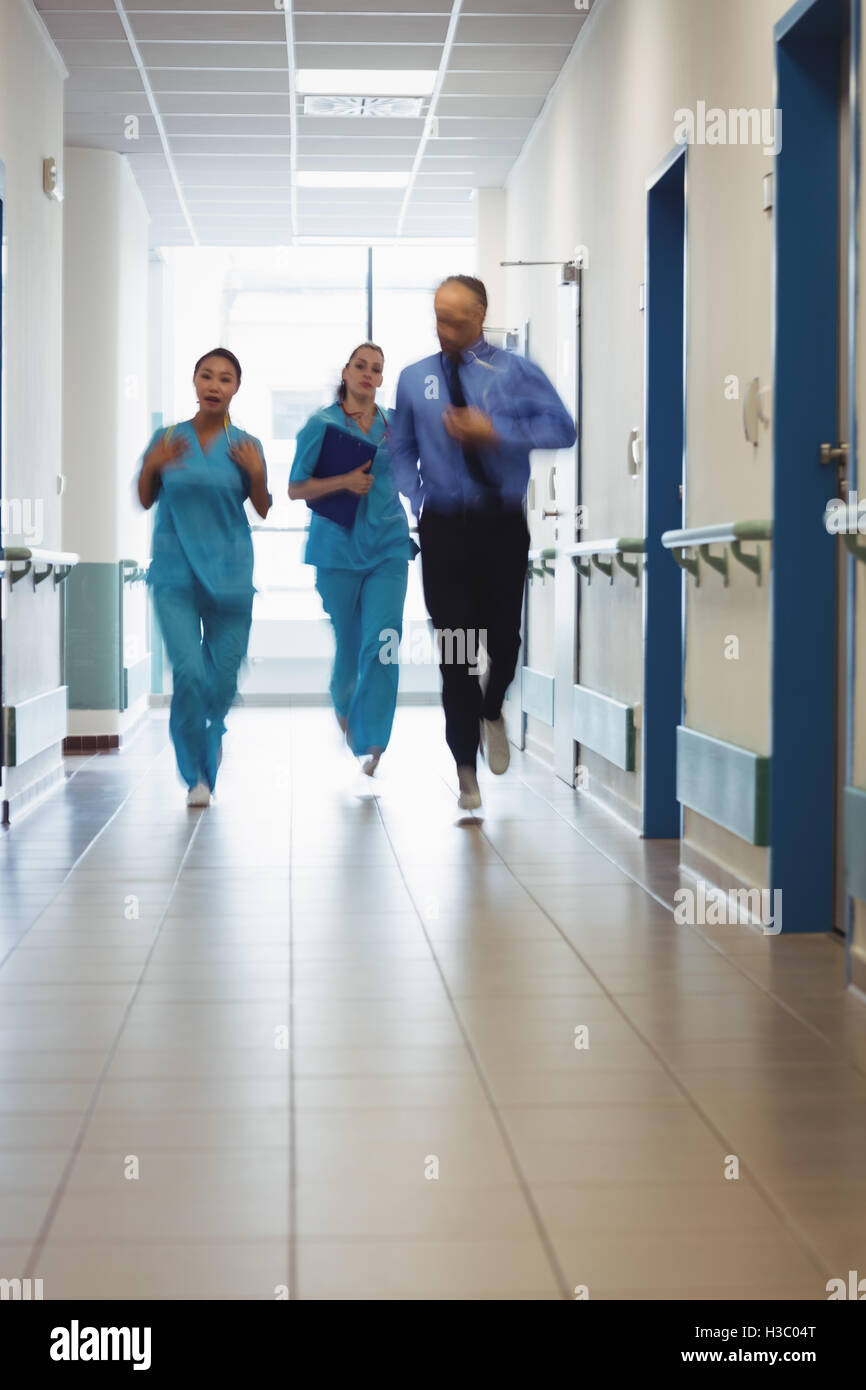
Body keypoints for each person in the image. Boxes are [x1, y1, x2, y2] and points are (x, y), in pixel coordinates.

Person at [388, 275, 576, 812]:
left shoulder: (515, 372)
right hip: (444, 526)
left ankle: (493, 707)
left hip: (501, 523)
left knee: (502, 642)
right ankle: (464, 766)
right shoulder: (413, 379)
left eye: (454, 319)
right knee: (455, 652)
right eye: (437, 317)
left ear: (481, 315)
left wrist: (494, 430)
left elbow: (563, 429)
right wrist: (417, 499)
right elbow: (399, 449)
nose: (442, 329)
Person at [137, 347, 271, 807]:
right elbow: (145, 497)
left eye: (226, 379)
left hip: (231, 578)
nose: (215, 386)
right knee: (190, 675)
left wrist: (255, 474)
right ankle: (194, 769)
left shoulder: (246, 445)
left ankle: (211, 740)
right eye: (207, 376)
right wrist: (154, 463)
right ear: (195, 382)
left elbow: (264, 507)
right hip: (175, 575)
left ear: (236, 388)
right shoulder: (168, 437)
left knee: (221, 683)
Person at [289, 342, 416, 776]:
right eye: (360, 365)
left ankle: (372, 737)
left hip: (389, 545)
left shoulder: (396, 426)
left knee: (383, 639)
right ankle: (346, 705)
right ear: (345, 372)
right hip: (337, 550)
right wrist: (343, 480)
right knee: (350, 644)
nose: (368, 373)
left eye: (376, 369)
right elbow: (296, 487)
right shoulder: (320, 425)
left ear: (382, 379)